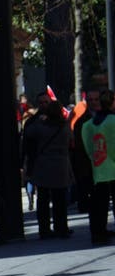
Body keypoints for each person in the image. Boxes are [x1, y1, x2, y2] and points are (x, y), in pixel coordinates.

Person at [21, 99, 73, 239]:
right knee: (60, 200)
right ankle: (61, 227)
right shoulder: (65, 127)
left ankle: (44, 229)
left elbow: (29, 132)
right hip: (61, 166)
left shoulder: (41, 127)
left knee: (43, 200)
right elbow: (70, 141)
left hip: (43, 165)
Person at [81, 88, 115, 245]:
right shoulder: (112, 121)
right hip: (111, 166)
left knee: (98, 204)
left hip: (97, 168)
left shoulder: (87, 125)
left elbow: (88, 148)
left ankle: (98, 232)